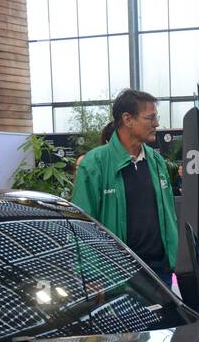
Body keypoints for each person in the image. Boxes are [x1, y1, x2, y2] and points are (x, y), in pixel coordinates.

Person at [72, 89, 178, 281]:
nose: (157, 123)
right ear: (128, 119)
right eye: (150, 118)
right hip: (117, 277)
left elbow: (169, 216)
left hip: (160, 273)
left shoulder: (156, 162)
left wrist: (174, 258)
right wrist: (91, 276)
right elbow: (81, 226)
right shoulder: (95, 164)